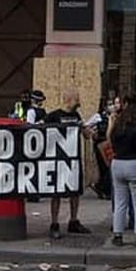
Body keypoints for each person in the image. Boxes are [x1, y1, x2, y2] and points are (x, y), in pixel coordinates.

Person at [43, 87, 92, 240]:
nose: (79, 102)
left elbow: (86, 136)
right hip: (58, 160)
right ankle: (54, 223)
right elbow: (41, 131)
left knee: (75, 191)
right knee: (56, 193)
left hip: (73, 160)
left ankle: (73, 220)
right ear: (68, 99)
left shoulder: (76, 116)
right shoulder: (54, 116)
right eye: (76, 98)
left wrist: (85, 129)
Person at [107, 96, 136, 247]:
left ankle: (117, 235)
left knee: (120, 202)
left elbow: (111, 143)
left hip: (117, 164)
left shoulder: (116, 131)